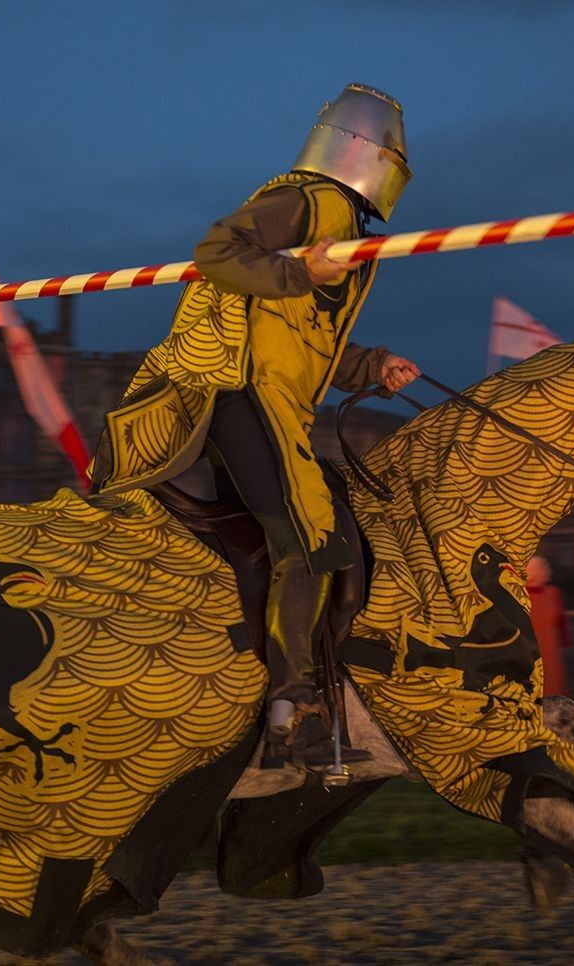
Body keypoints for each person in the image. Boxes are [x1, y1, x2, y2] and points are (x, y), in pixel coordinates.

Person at [91, 84, 420, 768]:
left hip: (272, 396)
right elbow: (218, 250)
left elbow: (309, 341)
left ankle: (240, 692)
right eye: (392, 155)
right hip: (238, 392)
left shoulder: (349, 234)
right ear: (367, 154)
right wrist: (300, 274)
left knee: (278, 534)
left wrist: (373, 366)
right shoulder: (307, 199)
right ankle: (292, 704)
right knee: (307, 534)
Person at [526, 556, 571, 696]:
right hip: (527, 647)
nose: (549, 571)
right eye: (545, 568)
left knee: (552, 679)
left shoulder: (553, 593)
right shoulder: (518, 593)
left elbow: (560, 619)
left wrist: (564, 640)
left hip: (549, 646)